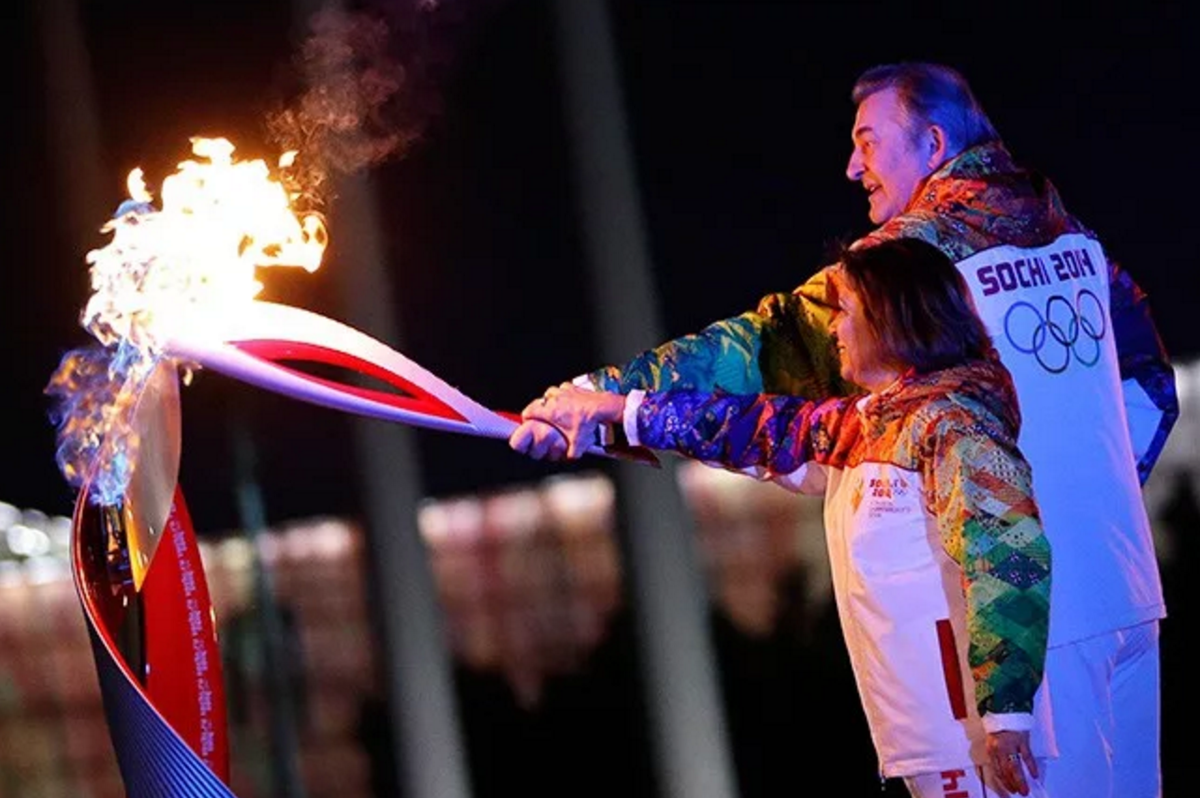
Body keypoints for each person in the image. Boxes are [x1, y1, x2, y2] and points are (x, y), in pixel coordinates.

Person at [512, 62, 1178, 797]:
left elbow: (762, 354)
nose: (852, 165)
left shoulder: (905, 266)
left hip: (1017, 636)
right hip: (1122, 597)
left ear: (931, 142)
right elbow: (1151, 393)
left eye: (868, 141)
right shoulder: (1074, 240)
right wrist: (1077, 506)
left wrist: (602, 396)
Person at [514, 237, 1054, 798]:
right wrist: (614, 410)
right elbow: (753, 427)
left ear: (890, 319)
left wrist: (1006, 718)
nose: (832, 329)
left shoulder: (956, 427)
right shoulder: (868, 424)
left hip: (972, 739)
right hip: (930, 736)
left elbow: (1010, 556)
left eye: (844, 311)